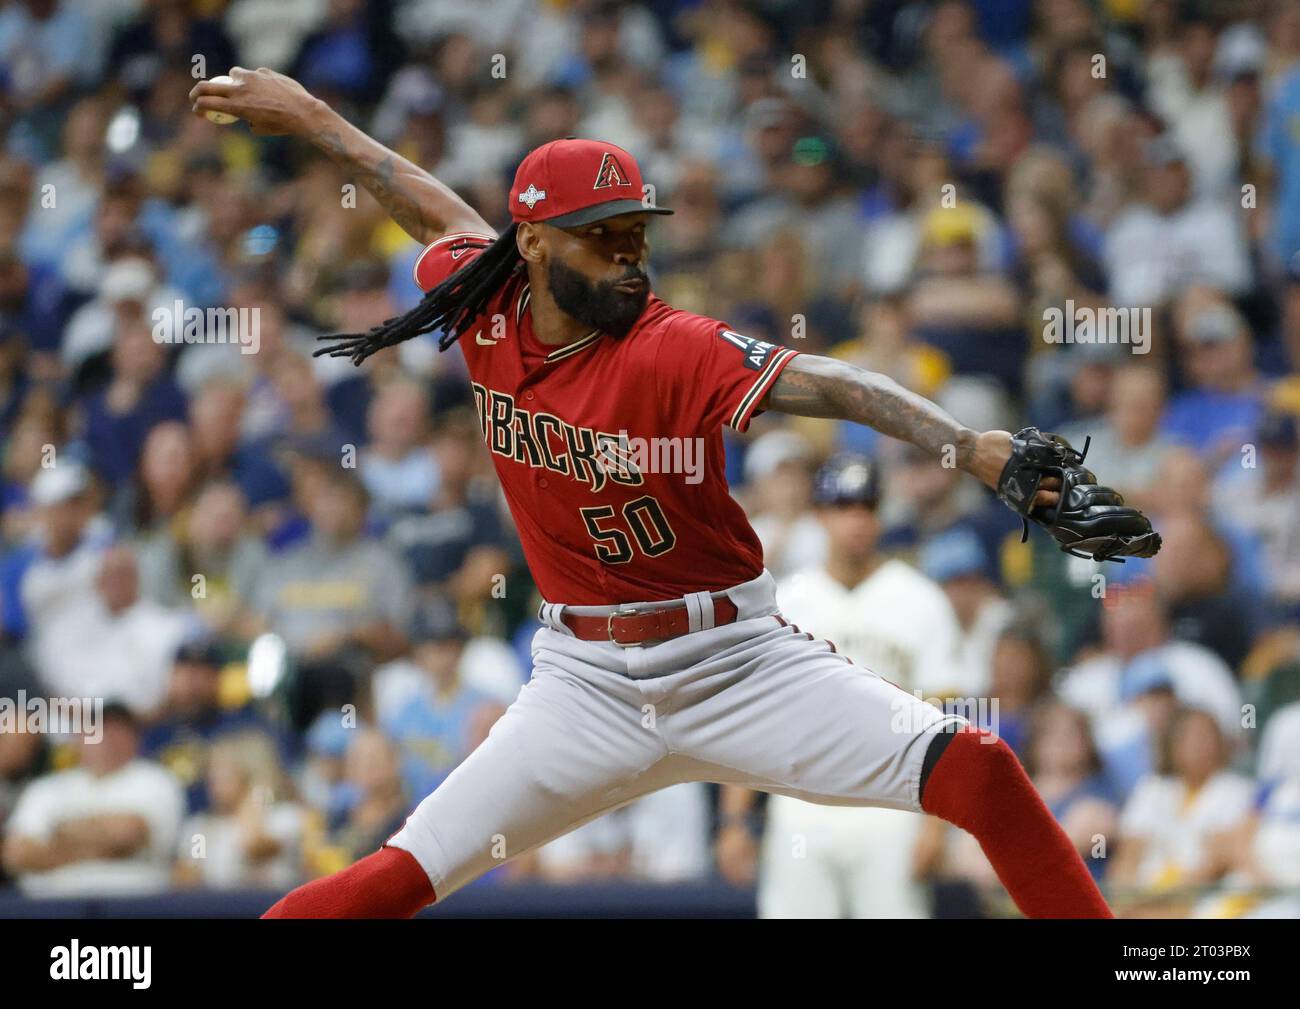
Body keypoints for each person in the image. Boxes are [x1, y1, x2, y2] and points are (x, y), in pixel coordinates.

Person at [194, 67, 1153, 919]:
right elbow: (428, 207)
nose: (629, 255)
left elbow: (837, 384)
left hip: (735, 659)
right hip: (585, 685)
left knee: (981, 773)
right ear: (529, 243)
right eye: (600, 238)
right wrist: (314, 115)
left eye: (633, 233)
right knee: (402, 872)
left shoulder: (668, 343)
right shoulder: (486, 299)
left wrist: (966, 446)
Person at [717, 454, 963, 918]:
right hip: (801, 805)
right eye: (843, 507)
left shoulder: (921, 600)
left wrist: (938, 823)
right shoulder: (785, 600)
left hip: (893, 808)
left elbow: (944, 720)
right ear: (819, 516)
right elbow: (751, 718)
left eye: (866, 507)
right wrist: (734, 819)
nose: (855, 520)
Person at [1, 702, 185, 897]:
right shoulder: (46, 788)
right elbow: (16, 854)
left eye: (116, 733)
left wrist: (57, 835)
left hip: (132, 905)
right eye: (97, 731)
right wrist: (103, 848)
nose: (106, 741)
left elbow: (127, 833)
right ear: (78, 737)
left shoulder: (155, 779)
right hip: (51, 908)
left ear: (134, 739)